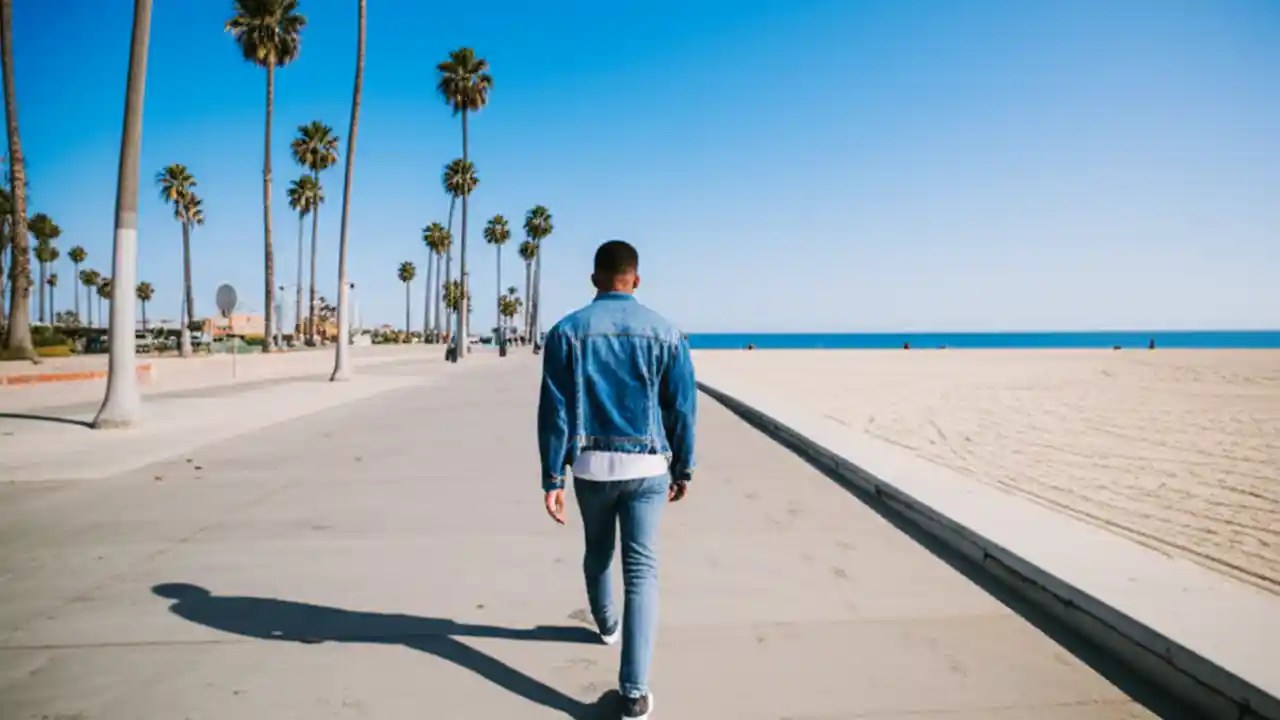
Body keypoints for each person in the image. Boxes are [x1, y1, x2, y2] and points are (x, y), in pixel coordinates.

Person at [538, 240, 697, 720]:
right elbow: (682, 407)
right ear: (637, 279)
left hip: (590, 467)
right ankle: (634, 693)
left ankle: (606, 624)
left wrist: (552, 476)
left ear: (595, 280)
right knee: (643, 572)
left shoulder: (567, 331)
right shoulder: (667, 333)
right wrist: (684, 466)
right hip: (649, 468)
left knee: (598, 552)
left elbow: (555, 410)